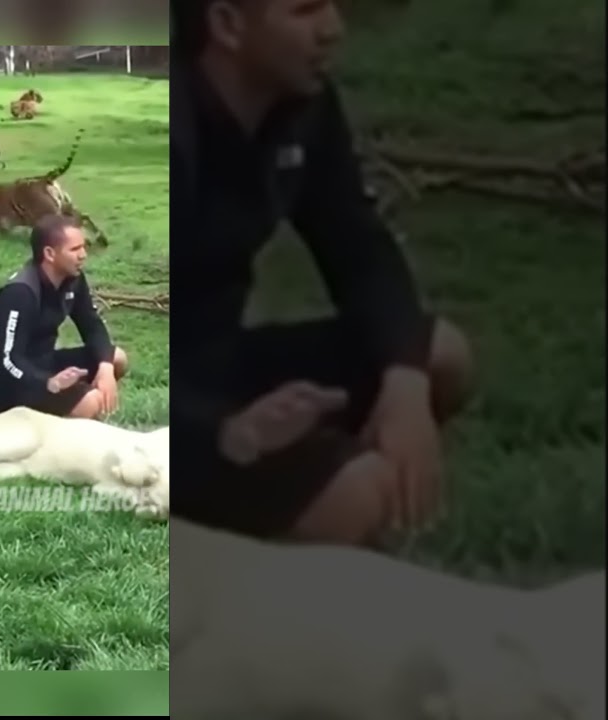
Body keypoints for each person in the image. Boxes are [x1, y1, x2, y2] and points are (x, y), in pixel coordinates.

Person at [172, 0, 475, 548]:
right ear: (227, 24)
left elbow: (358, 246)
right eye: (306, 10)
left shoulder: (302, 106)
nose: (333, 29)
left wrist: (403, 383)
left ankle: (297, 483)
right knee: (362, 493)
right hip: (151, 406)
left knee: (437, 357)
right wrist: (223, 432)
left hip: (221, 361)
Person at [0, 214, 129, 422]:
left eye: (83, 247)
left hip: (43, 363)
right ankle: (64, 431)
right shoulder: (20, 293)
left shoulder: (73, 279)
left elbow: (92, 325)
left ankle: (68, 414)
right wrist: (48, 383)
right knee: (91, 401)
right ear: (50, 254)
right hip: (4, 388)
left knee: (116, 359)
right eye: (74, 249)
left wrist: (105, 368)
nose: (83, 255)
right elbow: (9, 361)